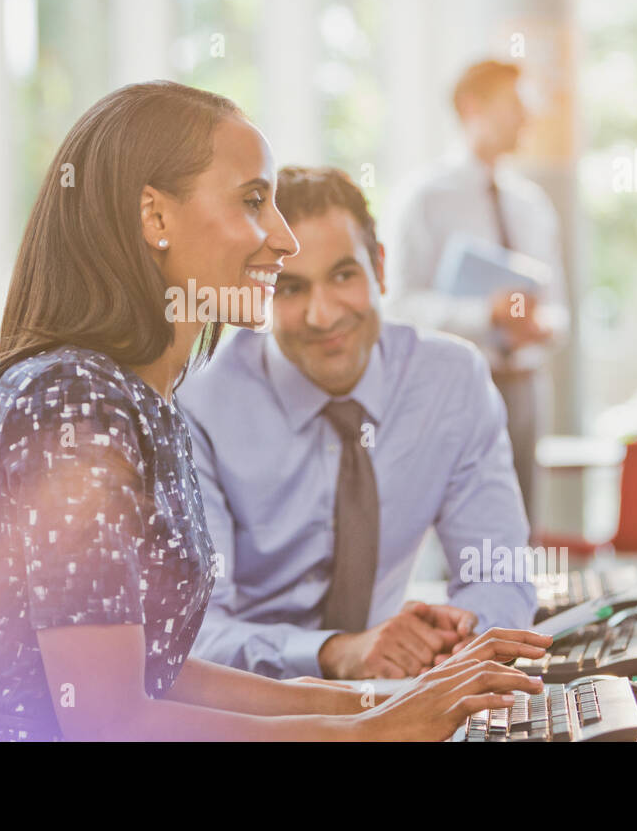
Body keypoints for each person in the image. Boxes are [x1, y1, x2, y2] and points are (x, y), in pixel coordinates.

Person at [0, 80, 550, 741]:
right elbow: (107, 722)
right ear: (155, 219)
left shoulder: (139, 402)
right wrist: (369, 732)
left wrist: (374, 706)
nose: (280, 238)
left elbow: (161, 674)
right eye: (254, 202)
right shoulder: (75, 401)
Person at [179, 166, 535, 681]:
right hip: (251, 714)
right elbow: (194, 635)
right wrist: (338, 652)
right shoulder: (198, 403)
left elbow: (497, 571)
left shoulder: (450, 382)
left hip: (392, 696)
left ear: (381, 270)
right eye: (291, 288)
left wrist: (463, 634)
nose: (322, 316)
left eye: (344, 275)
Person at [384, 60, 569, 525]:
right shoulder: (424, 198)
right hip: (455, 389)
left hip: (525, 388)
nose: (525, 118)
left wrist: (540, 328)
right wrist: (485, 314)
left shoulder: (530, 205)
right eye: (513, 105)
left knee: (519, 530)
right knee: (459, 532)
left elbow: (561, 311)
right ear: (473, 107)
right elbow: (399, 308)